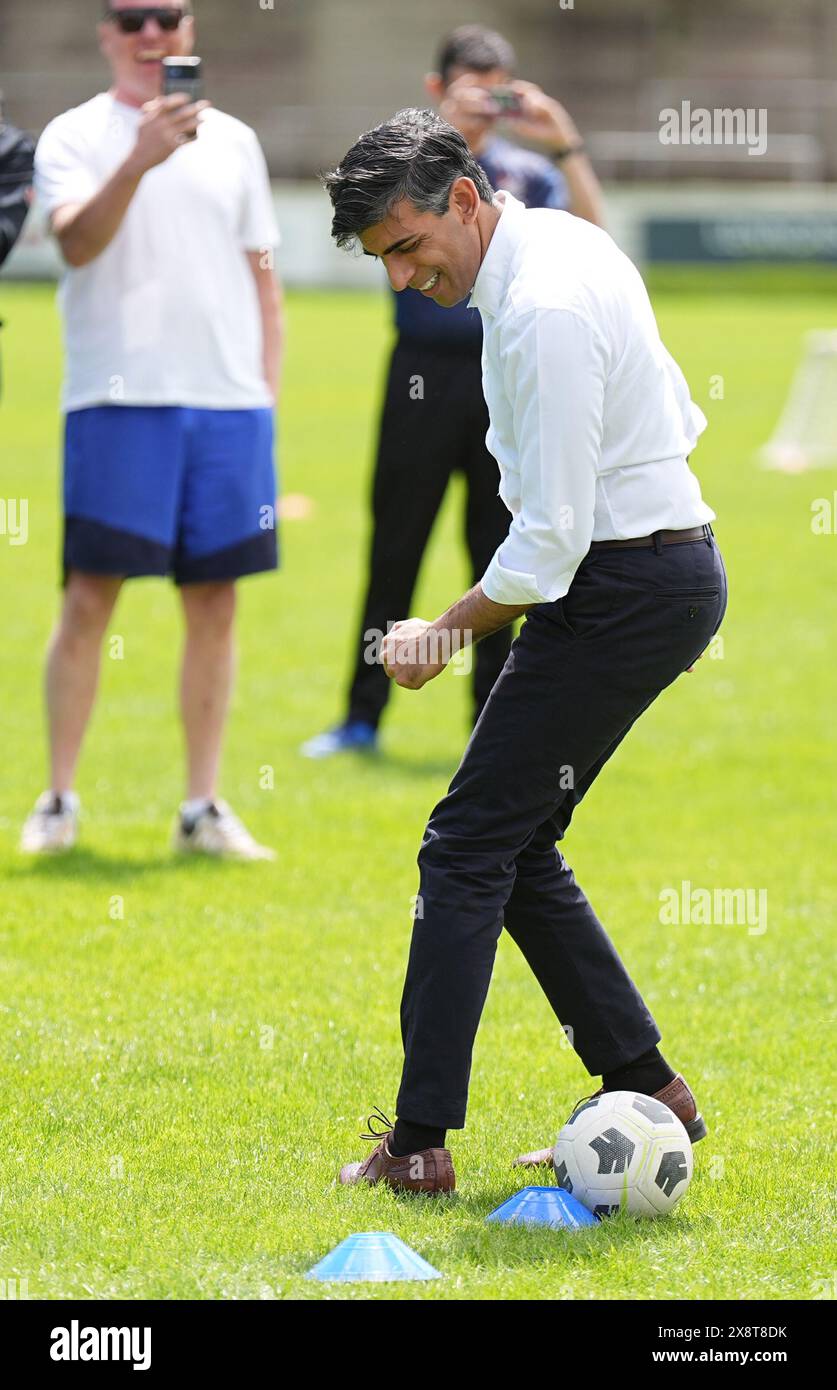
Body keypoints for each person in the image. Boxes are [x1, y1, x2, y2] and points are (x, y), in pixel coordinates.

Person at [324, 110, 727, 1194]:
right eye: (382, 263)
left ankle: (416, 1146)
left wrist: (435, 636)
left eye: (408, 246)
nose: (404, 278)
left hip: (626, 585)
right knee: (513, 842)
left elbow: (546, 546)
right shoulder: (558, 244)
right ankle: (650, 1085)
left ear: (464, 198)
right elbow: (677, 417)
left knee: (462, 846)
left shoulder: (539, 308)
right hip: (658, 572)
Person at [23, 2, 283, 860]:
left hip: (227, 406)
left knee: (215, 602)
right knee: (90, 598)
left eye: (165, 16)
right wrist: (139, 160)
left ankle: (201, 808)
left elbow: (262, 278)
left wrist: (264, 402)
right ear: (105, 33)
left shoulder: (237, 141)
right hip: (116, 399)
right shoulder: (72, 135)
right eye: (130, 17)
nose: (149, 34)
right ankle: (58, 798)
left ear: (190, 28)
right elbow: (74, 245)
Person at [301, 25, 603, 758]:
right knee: (395, 545)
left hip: (508, 368)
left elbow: (598, 240)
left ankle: (486, 725)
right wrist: (451, 134)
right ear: (437, 89)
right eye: (472, 84)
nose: (489, 100)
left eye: (500, 84)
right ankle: (361, 715)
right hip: (420, 376)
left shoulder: (525, 179)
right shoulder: (407, 171)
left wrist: (564, 144)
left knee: (498, 543)